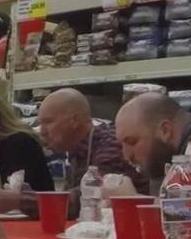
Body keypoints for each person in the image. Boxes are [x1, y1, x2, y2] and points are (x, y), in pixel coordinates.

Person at [37, 88, 148, 218]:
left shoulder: (110, 145)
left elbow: (87, 199)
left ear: (74, 121)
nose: (42, 132)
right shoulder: (76, 150)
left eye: (48, 122)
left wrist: (23, 199)